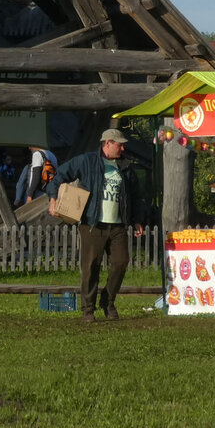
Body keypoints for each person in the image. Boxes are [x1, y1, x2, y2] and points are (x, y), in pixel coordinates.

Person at [48, 128, 145, 323]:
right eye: (119, 144)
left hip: (118, 225)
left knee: (121, 261)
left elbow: (136, 196)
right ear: (107, 143)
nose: (123, 147)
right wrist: (53, 199)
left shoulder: (125, 166)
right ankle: (88, 309)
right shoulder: (87, 161)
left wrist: (136, 220)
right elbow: (59, 176)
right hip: (93, 224)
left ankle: (107, 301)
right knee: (90, 267)